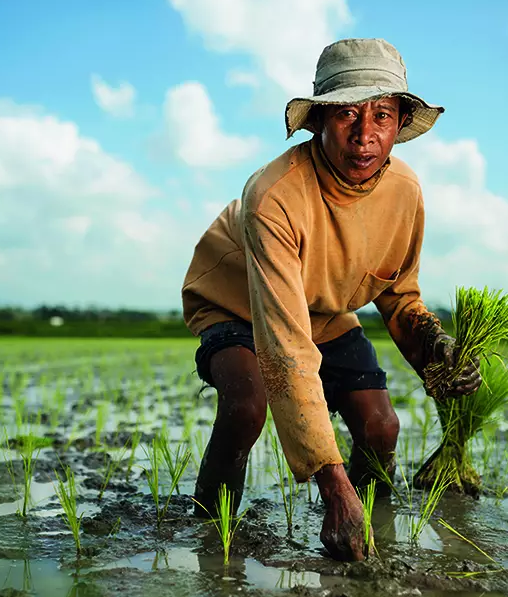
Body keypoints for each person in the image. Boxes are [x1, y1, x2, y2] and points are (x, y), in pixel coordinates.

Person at [180, 38, 482, 561]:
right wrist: (332, 484)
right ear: (320, 121)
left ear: (399, 123)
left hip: (322, 308)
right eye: (347, 115)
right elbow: (286, 347)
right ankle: (212, 532)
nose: (365, 137)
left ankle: (370, 535)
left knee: (381, 425)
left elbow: (399, 292)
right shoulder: (275, 196)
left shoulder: (405, 192)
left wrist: (437, 346)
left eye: (382, 115)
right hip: (238, 301)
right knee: (249, 405)